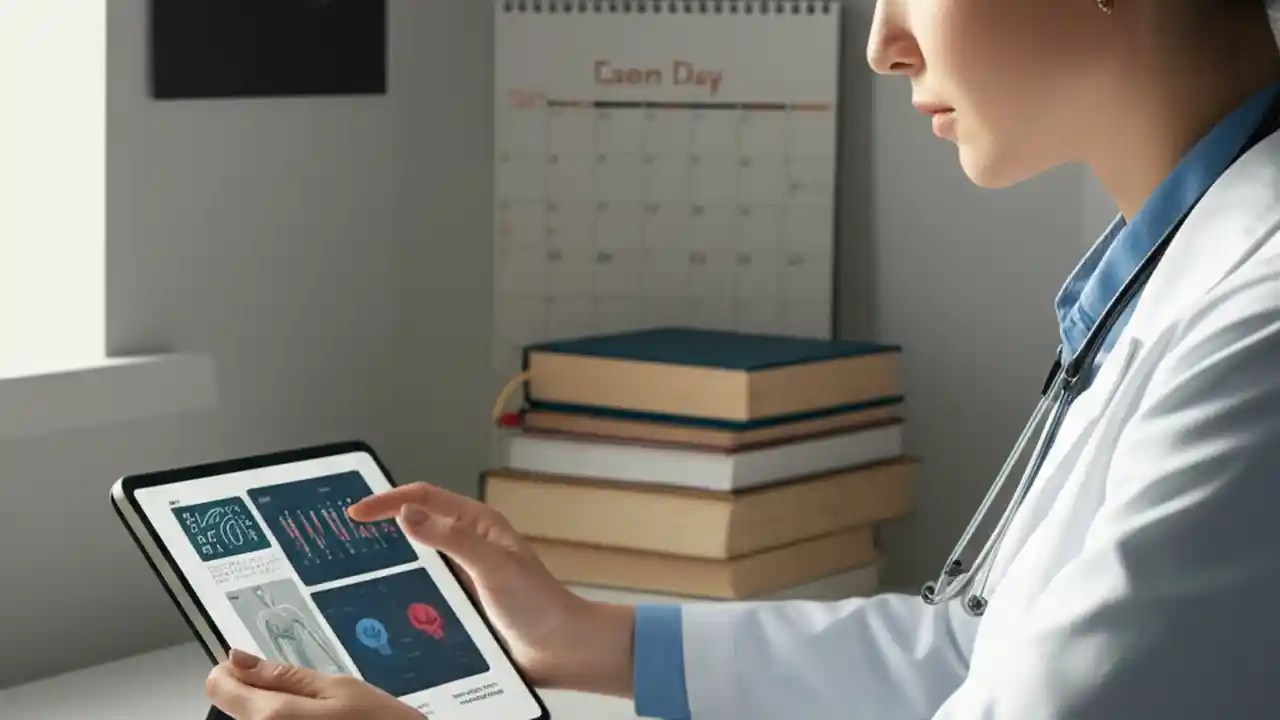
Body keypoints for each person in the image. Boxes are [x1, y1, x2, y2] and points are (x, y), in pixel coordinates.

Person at [205, 0, 1280, 717]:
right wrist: (585, 636)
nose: (883, 45)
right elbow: (982, 659)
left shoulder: (1259, 321)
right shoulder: (1189, 273)